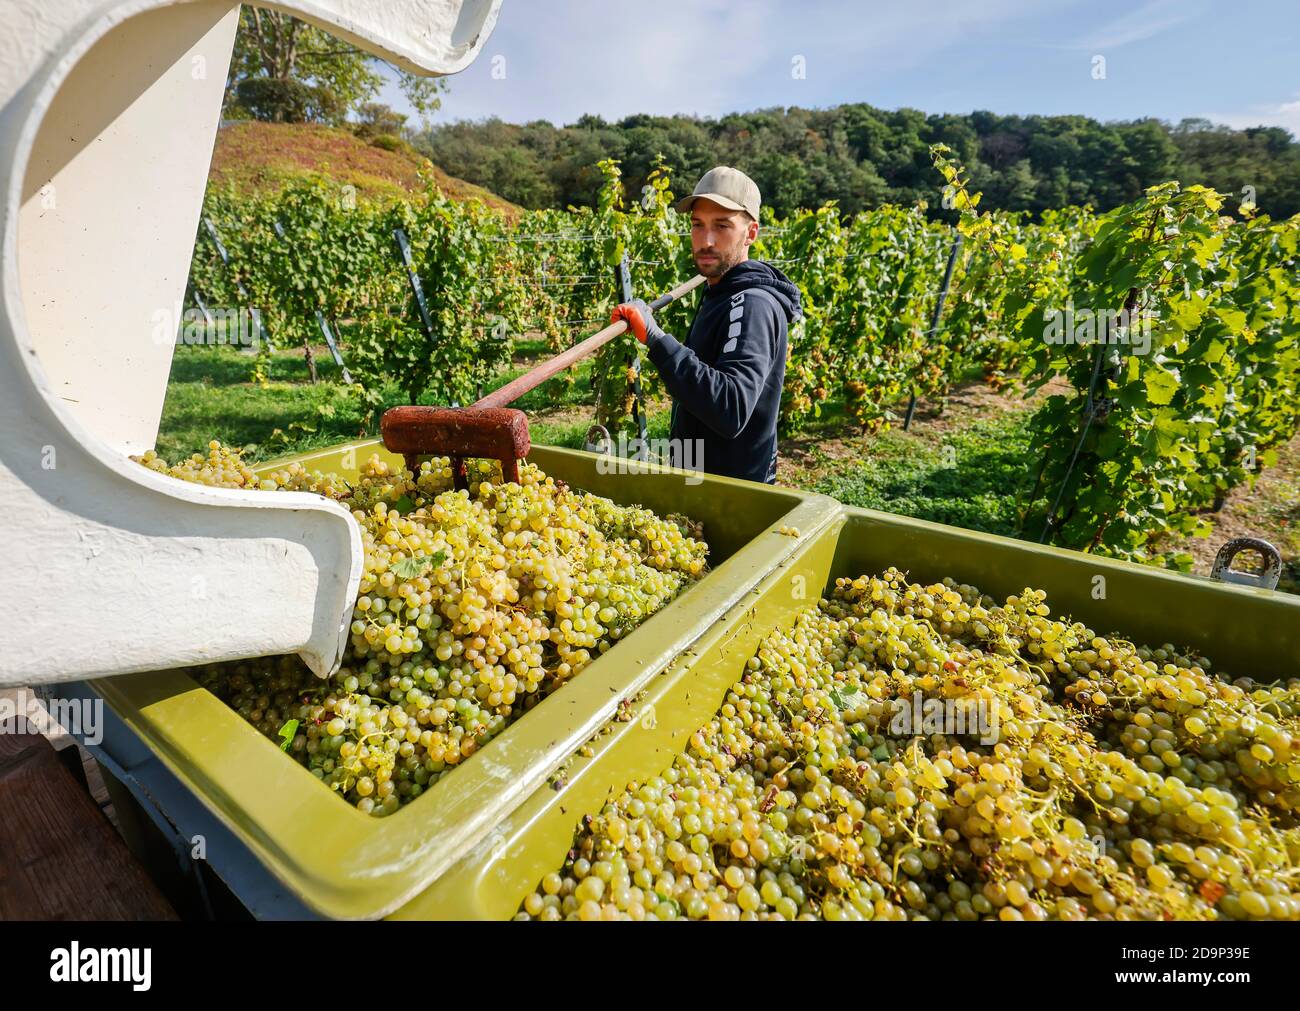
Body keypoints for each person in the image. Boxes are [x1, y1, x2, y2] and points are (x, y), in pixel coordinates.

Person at [610, 166, 802, 484]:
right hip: (704, 481)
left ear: (751, 233)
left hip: (732, 496)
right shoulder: (720, 289)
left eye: (722, 226)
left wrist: (657, 339)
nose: (706, 240)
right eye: (697, 225)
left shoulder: (752, 304)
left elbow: (730, 408)